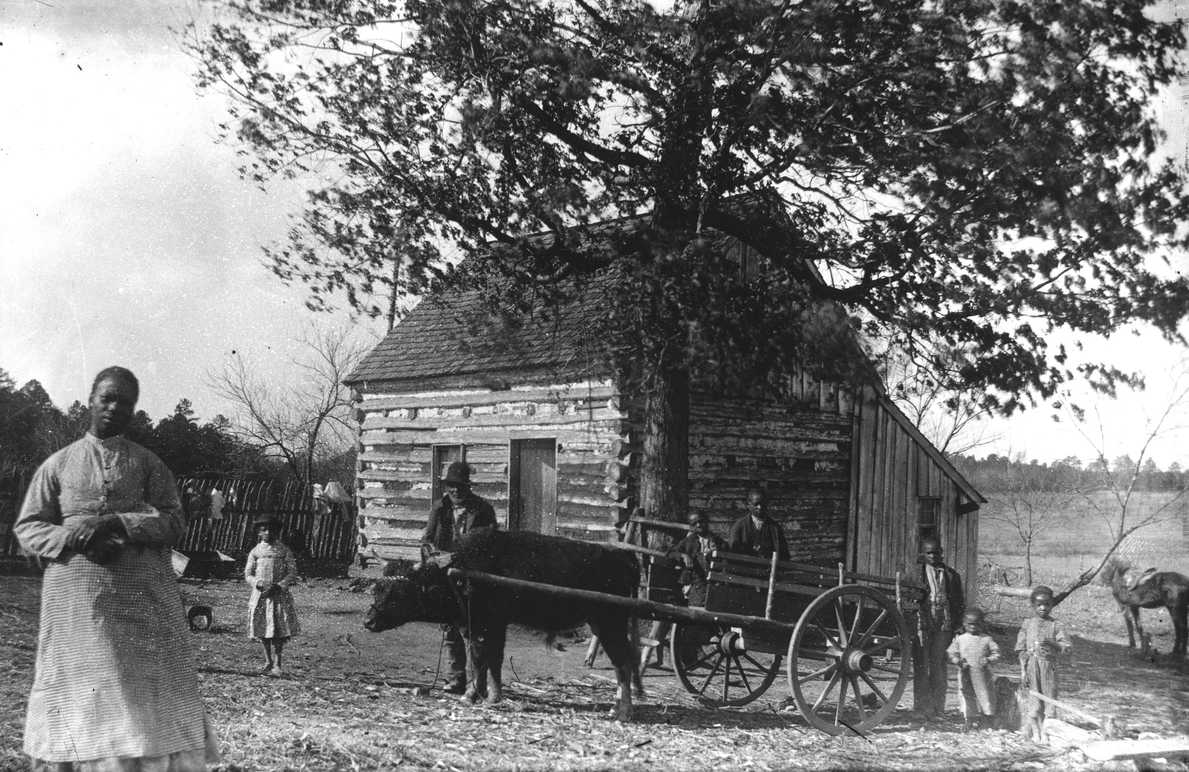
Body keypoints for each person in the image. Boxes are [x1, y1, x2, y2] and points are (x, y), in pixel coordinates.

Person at [13, 366, 218, 770]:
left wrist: (117, 523)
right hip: (76, 599)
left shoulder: (147, 463)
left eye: (125, 402)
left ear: (134, 411)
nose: (114, 408)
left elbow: (174, 521)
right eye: (107, 398)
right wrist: (74, 535)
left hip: (139, 594)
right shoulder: (59, 464)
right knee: (84, 679)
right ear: (91, 399)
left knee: (134, 680)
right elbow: (28, 529)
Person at [421, 461, 498, 694]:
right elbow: (427, 540)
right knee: (450, 628)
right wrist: (434, 557)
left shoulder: (482, 509)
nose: (455, 491)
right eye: (451, 486)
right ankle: (455, 678)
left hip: (471, 576)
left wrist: (465, 557)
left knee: (473, 630)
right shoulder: (439, 507)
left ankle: (477, 683)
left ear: (468, 486)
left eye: (460, 486)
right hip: (445, 576)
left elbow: (492, 542)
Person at [913, 536, 964, 721]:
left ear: (942, 553)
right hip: (922, 624)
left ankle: (937, 708)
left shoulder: (951, 575)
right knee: (921, 666)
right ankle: (920, 708)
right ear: (923, 555)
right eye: (929, 553)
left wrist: (958, 625)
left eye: (936, 552)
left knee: (938, 666)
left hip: (944, 625)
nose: (933, 556)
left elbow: (958, 602)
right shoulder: (916, 573)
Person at [245, 514, 301, 677]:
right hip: (261, 595)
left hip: (278, 595)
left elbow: (292, 572)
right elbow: (248, 573)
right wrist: (258, 584)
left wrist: (279, 585)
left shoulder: (283, 550)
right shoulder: (255, 551)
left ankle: (278, 663)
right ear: (259, 533)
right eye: (264, 530)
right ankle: (267, 660)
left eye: (272, 530)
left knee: (278, 629)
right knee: (263, 628)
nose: (268, 533)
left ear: (277, 532)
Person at [1015, 585, 1072, 743]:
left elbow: (1066, 648)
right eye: (1039, 604)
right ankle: (1035, 731)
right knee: (1034, 699)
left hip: (1048, 668)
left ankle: (1047, 733)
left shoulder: (1056, 625)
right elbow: (1020, 647)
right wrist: (1024, 667)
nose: (1043, 608)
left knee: (1049, 698)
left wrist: (1052, 643)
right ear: (1033, 605)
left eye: (1046, 604)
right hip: (1031, 667)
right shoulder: (1027, 623)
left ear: (1052, 605)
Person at [947, 607, 1001, 731]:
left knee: (985, 695)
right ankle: (969, 720)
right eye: (969, 624)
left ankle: (987, 719)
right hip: (966, 673)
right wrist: (958, 662)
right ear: (964, 624)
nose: (973, 627)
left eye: (976, 624)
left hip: (982, 675)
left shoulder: (986, 639)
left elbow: (996, 653)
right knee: (967, 695)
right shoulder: (960, 639)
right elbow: (951, 653)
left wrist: (988, 659)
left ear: (982, 624)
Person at [671, 512, 727, 607]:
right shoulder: (689, 541)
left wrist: (716, 553)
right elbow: (671, 553)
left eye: (701, 521)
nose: (698, 525)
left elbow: (726, 555)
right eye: (694, 523)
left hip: (715, 581)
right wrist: (684, 556)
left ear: (706, 522)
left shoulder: (717, 540)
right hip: (696, 581)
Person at [726, 488, 790, 561]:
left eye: (762, 504)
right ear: (748, 505)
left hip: (769, 570)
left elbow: (784, 555)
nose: (760, 507)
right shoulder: (739, 527)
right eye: (756, 504)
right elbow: (732, 555)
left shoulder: (775, 528)